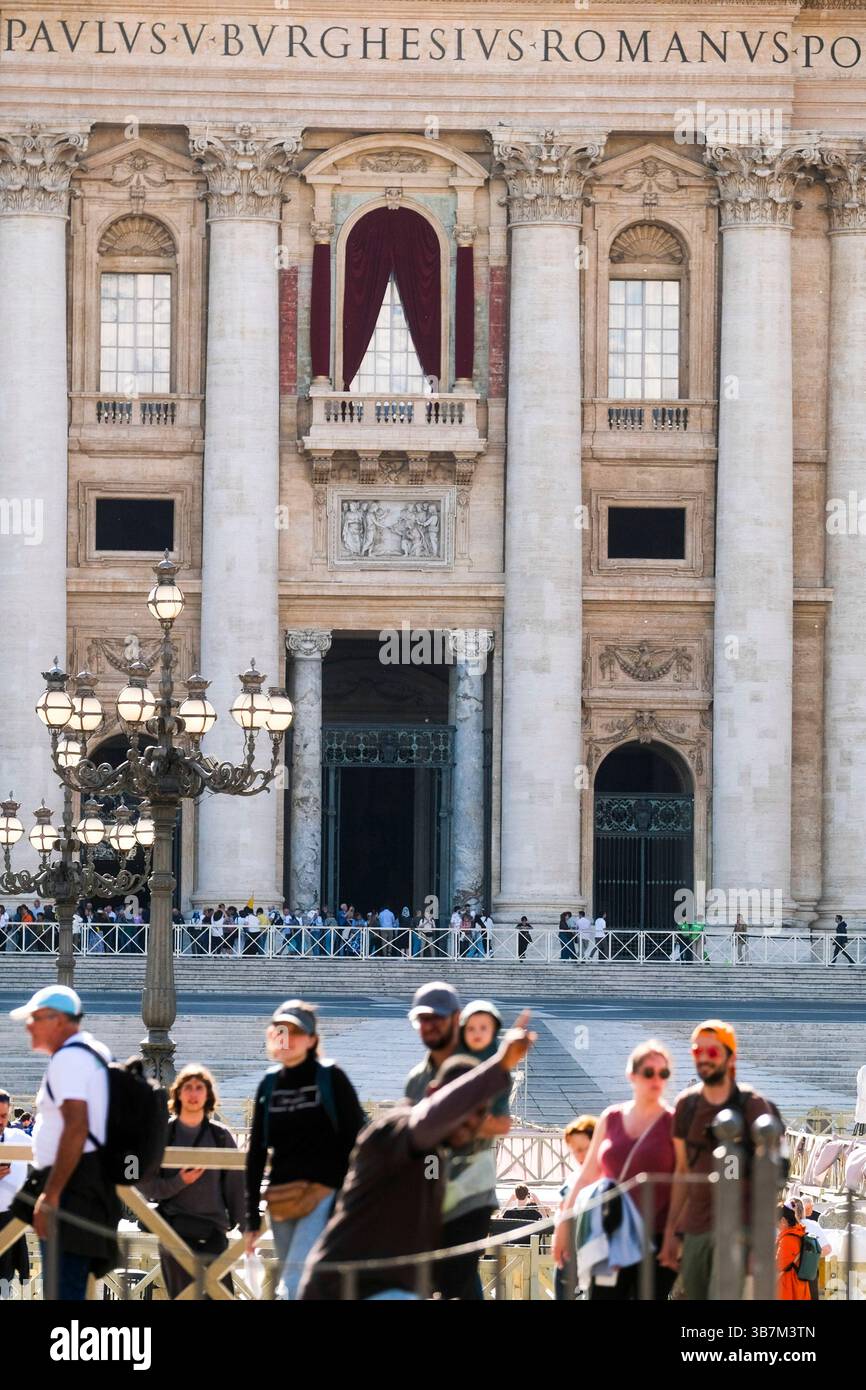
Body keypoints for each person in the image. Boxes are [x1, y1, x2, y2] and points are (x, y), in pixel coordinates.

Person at [298, 1010, 536, 1300]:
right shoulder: (392, 1130)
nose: (471, 1123)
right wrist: (501, 1063)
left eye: (480, 1114)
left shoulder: (436, 1157)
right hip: (343, 1287)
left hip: (383, 1286)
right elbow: (431, 1118)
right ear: (433, 1094)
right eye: (461, 1110)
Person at [244, 999, 366, 1299]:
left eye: (295, 1032)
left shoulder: (331, 1077)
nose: (286, 1039)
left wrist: (342, 1194)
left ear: (311, 1039)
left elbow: (356, 1138)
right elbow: (256, 1152)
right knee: (301, 1278)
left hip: (323, 1194)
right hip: (281, 1197)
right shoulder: (269, 1084)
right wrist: (251, 1218)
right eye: (280, 1031)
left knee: (295, 1281)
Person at [8, 986, 121, 1300]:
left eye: (34, 1019)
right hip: (91, 1183)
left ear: (56, 1019)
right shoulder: (94, 1051)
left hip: (72, 1187)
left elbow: (76, 1126)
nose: (28, 1026)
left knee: (63, 1291)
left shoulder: (69, 1059)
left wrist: (52, 1194)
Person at [660, 1019, 779, 1300]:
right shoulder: (686, 1105)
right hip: (696, 1229)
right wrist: (670, 1232)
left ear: (731, 1057)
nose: (703, 1058)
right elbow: (682, 1172)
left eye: (712, 1052)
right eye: (697, 1051)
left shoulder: (753, 1105)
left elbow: (767, 1179)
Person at [555, 1040, 676, 1300]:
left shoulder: (673, 1122)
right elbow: (587, 1175)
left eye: (663, 1073)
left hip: (655, 1237)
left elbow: (683, 1181)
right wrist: (563, 1225)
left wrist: (673, 1235)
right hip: (609, 1232)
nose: (656, 1079)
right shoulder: (610, 1118)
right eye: (649, 1072)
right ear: (632, 1075)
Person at [139, 1064, 244, 1299]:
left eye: (199, 1088)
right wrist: (179, 1181)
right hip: (173, 1232)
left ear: (208, 1095)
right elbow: (144, 1184)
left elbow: (236, 1190)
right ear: (177, 1093)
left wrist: (250, 1230)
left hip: (214, 1233)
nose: (193, 1093)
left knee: (221, 1296)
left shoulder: (221, 1135)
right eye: (188, 1087)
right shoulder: (162, 1134)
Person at [431, 999, 511, 1299]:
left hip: (475, 1179)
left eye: (484, 1028)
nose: (477, 1034)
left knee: (464, 1263)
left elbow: (501, 1122)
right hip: (439, 1174)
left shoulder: (500, 1072)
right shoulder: (446, 1064)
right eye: (472, 1028)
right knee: (443, 1263)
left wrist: (459, 1119)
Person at [0, 1087, 31, 1299]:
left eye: (3, 1115)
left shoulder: (19, 1137)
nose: (0, 1121)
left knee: (5, 1285)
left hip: (10, 1222)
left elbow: (47, 1158)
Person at [777, 1204, 812, 1300]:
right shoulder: (799, 1234)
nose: (777, 1227)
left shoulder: (788, 1239)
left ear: (783, 1220)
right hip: (800, 1287)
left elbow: (778, 1265)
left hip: (789, 1290)